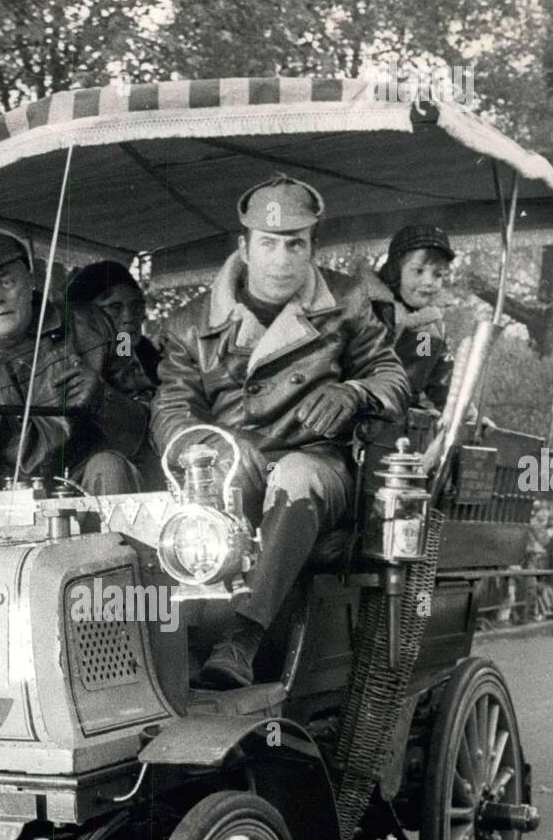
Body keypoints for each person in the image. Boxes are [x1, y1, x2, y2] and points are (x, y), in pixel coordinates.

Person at [152, 174, 410, 688]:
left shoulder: (350, 301)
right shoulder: (189, 323)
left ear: (312, 247)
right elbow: (170, 414)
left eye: (297, 244)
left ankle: (242, 640)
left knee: (294, 477)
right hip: (228, 469)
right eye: (269, 244)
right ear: (244, 247)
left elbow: (393, 378)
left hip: (318, 465)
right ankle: (169, 651)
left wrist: (352, 393)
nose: (283, 258)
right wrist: (215, 445)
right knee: (191, 509)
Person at [0, 233, 151, 500]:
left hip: (95, 487)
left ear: (30, 282)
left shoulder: (96, 327)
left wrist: (103, 398)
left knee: (108, 467)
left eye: (7, 281)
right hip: (15, 503)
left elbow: (147, 423)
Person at [358, 225, 455, 413]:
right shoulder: (371, 311)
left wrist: (465, 415)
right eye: (418, 271)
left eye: (438, 274)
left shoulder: (426, 329)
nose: (429, 282)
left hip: (400, 419)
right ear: (395, 271)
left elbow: (437, 379)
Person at [66, 260, 162, 387]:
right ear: (83, 315)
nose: (129, 318)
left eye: (136, 306)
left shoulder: (145, 355)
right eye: (115, 307)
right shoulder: (69, 365)